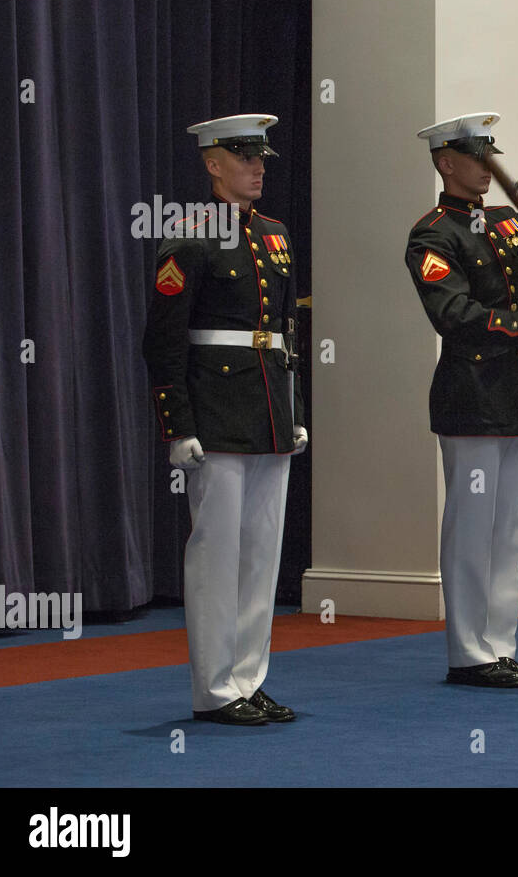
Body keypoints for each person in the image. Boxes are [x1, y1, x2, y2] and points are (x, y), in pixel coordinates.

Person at [405, 112, 518, 688]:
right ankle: (468, 651)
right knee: (472, 525)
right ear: (445, 163)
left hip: (511, 393)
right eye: (476, 156)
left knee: (508, 528)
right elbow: (455, 316)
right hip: (469, 394)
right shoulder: (434, 234)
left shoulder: (504, 223)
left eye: (492, 155)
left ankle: (499, 644)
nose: (489, 166)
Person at [143, 113, 306, 726]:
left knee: (261, 554)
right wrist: (177, 425)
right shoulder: (189, 236)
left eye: (261, 158)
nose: (258, 167)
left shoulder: (275, 232)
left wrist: (294, 410)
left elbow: (287, 330)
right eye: (244, 157)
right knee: (216, 554)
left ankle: (249, 677)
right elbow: (163, 342)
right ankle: (215, 689)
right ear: (213, 164)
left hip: (268, 408)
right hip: (214, 410)